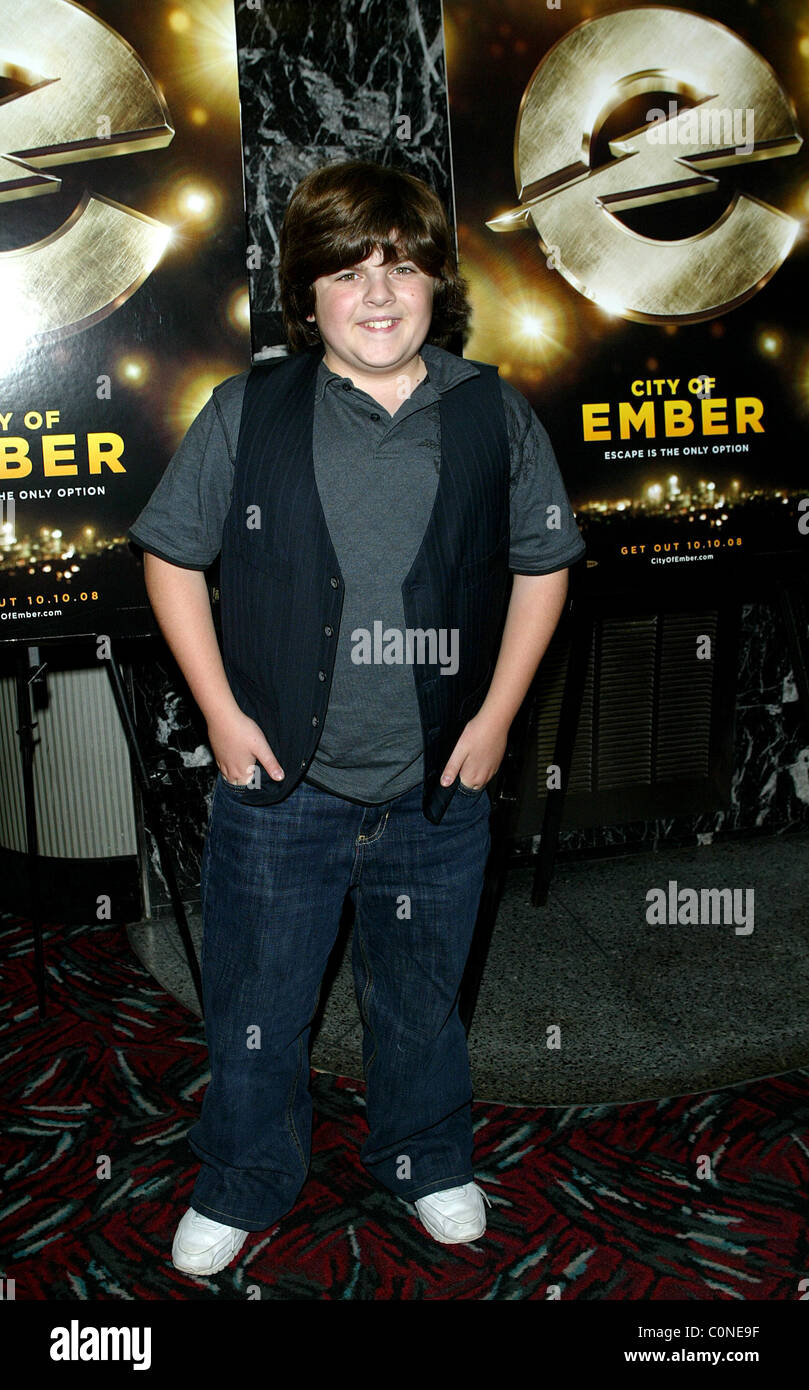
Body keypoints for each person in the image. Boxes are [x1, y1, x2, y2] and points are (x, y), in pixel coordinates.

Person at [127, 158, 585, 1278]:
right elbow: (171, 555)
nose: (377, 296)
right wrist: (221, 713)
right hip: (281, 789)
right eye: (346, 273)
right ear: (307, 293)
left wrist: (495, 720)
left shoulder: (489, 411)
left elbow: (541, 567)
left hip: (438, 787)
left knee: (420, 1002)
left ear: (436, 282)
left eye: (402, 268)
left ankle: (427, 1156)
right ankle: (242, 1176)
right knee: (257, 1006)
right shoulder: (249, 407)